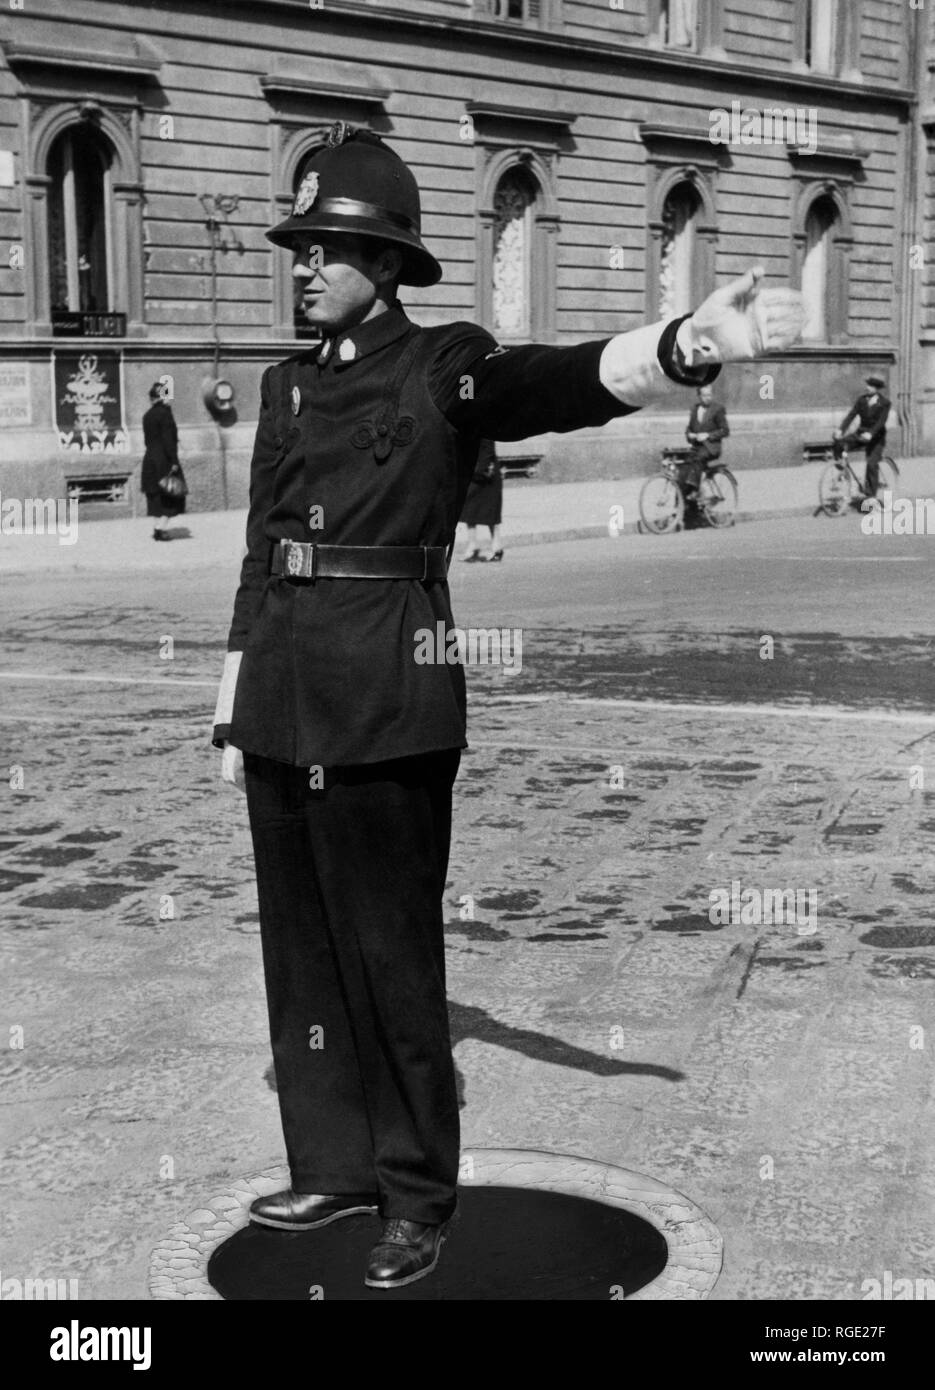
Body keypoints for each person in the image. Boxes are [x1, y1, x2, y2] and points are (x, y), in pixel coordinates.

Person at [211, 122, 805, 1291]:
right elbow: (261, 544)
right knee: (304, 949)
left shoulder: (444, 364)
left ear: (383, 265)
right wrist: (233, 690)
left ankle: (418, 1195)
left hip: (387, 689)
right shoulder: (283, 387)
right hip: (284, 686)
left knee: (389, 955)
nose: (301, 264)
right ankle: (331, 1162)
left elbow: (544, 384)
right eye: (297, 245)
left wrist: (678, 345)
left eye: (325, 248)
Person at [140, 383, 186, 540]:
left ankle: (156, 527)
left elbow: (147, 440)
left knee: (155, 495)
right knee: (171, 493)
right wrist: (174, 460)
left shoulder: (147, 415)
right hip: (164, 460)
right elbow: (168, 440)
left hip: (150, 459)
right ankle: (160, 529)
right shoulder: (165, 414)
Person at [833, 375, 890, 498]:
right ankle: (841, 468)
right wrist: (840, 430)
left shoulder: (885, 403)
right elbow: (851, 415)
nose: (867, 387)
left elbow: (881, 422)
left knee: (871, 464)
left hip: (876, 438)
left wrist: (871, 433)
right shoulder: (862, 400)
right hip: (860, 434)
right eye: (868, 385)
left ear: (877, 388)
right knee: (839, 442)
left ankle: (870, 500)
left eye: (871, 386)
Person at [680, 383, 729, 505]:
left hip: (711, 448)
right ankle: (688, 501)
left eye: (710, 395)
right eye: (705, 395)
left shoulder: (718, 409)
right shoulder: (694, 409)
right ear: (699, 396)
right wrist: (689, 435)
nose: (708, 397)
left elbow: (725, 430)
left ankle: (695, 491)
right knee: (683, 463)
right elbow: (689, 429)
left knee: (698, 458)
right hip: (697, 447)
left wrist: (708, 435)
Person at [460, 438, 503, 562]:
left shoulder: (484, 424)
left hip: (486, 472)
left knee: (490, 510)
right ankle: (473, 546)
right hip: (476, 470)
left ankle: (496, 546)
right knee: (470, 510)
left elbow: (488, 448)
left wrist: (479, 470)